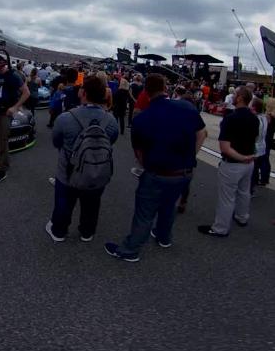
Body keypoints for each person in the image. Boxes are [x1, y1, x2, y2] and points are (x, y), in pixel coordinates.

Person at [105, 74, 207, 262]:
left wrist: (148, 165)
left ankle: (130, 250)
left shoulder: (142, 119)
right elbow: (202, 133)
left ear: (146, 91)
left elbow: (139, 153)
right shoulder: (187, 107)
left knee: (145, 212)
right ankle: (163, 236)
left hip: (158, 172)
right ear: (165, 88)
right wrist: (191, 156)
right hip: (184, 172)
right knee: (169, 205)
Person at [47, 76, 119, 242]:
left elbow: (56, 141)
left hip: (68, 172)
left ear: (83, 93)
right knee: (92, 204)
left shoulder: (65, 118)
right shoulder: (111, 120)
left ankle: (59, 231)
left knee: (64, 203)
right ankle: (87, 232)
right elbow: (111, 141)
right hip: (96, 171)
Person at [200, 86, 258, 238]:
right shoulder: (254, 118)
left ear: (240, 98)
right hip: (249, 162)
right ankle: (242, 217)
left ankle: (220, 228)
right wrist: (248, 157)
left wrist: (241, 157)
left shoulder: (230, 118)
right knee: (244, 191)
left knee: (227, 197)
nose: (232, 96)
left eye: (235, 94)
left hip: (233, 163)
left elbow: (225, 147)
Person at [0, 55, 30, 185]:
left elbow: (26, 93)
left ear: (1, 64)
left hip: (5, 112)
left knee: (2, 140)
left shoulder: (12, 76)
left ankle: (3, 169)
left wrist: (15, 107)